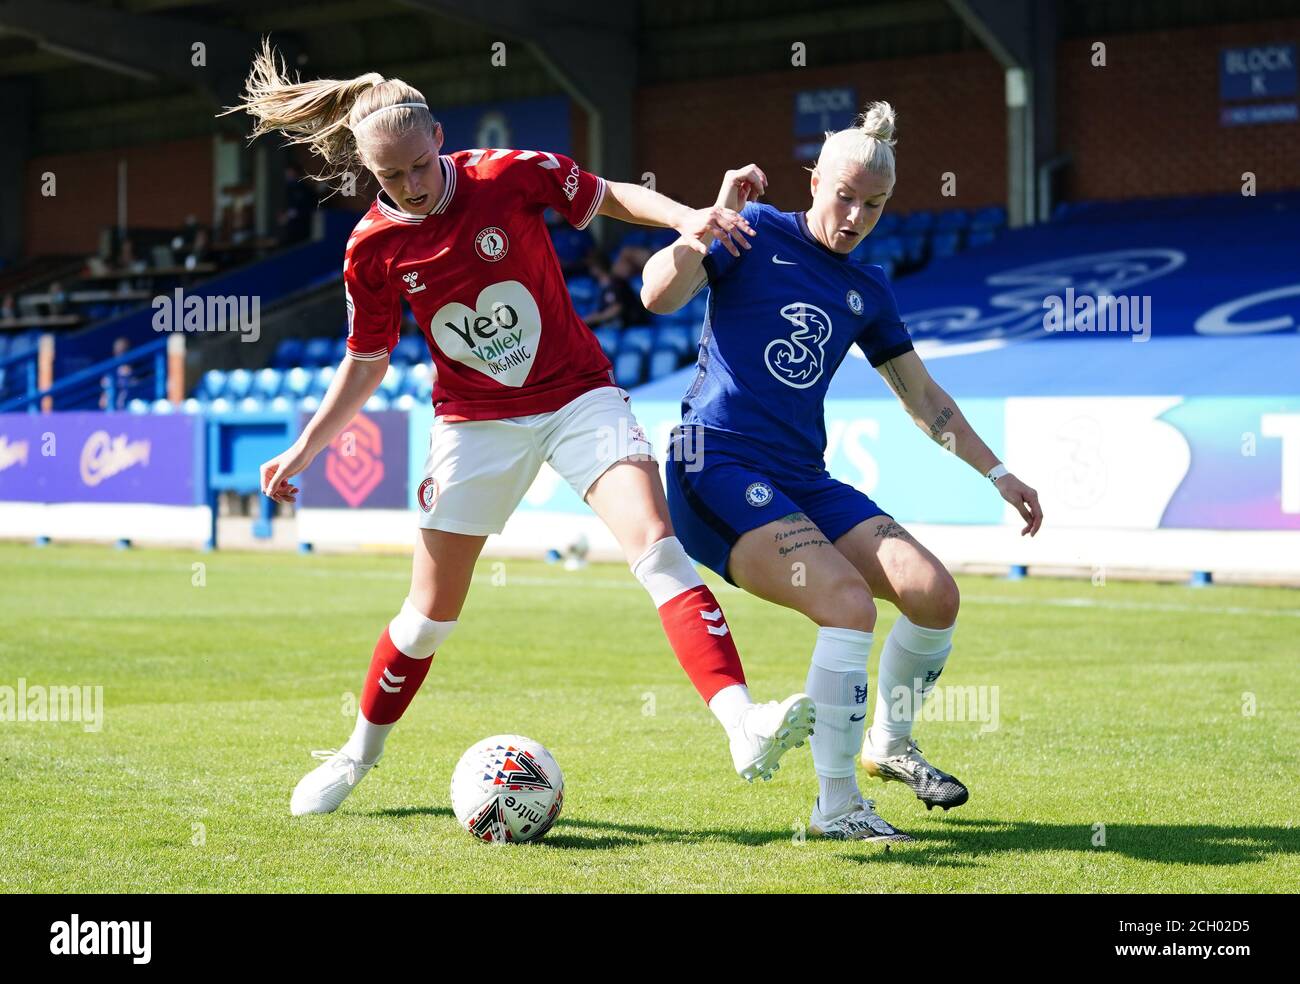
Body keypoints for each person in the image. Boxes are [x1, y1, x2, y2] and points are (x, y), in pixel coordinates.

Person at [221, 40, 818, 817]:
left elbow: (611, 196)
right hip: (473, 424)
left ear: (439, 137)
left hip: (579, 397)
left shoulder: (508, 174)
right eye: (388, 176)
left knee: (657, 547)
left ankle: (743, 723)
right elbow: (366, 359)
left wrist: (691, 219)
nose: (408, 185)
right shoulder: (372, 247)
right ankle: (355, 756)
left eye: (416, 165)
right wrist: (305, 445)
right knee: (429, 618)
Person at [641, 102, 1044, 842]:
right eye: (844, 196)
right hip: (714, 461)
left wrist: (998, 474)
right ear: (815, 179)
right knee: (848, 604)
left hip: (801, 474)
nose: (855, 215)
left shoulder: (869, 287)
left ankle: (887, 744)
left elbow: (924, 399)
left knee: (932, 593)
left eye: (875, 205)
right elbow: (657, 294)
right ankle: (837, 807)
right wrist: (703, 226)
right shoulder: (753, 228)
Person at [582, 252, 648, 328]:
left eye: (592, 266)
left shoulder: (617, 283)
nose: (590, 269)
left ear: (599, 266)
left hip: (628, 324)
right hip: (610, 325)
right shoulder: (598, 284)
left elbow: (617, 308)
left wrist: (596, 318)